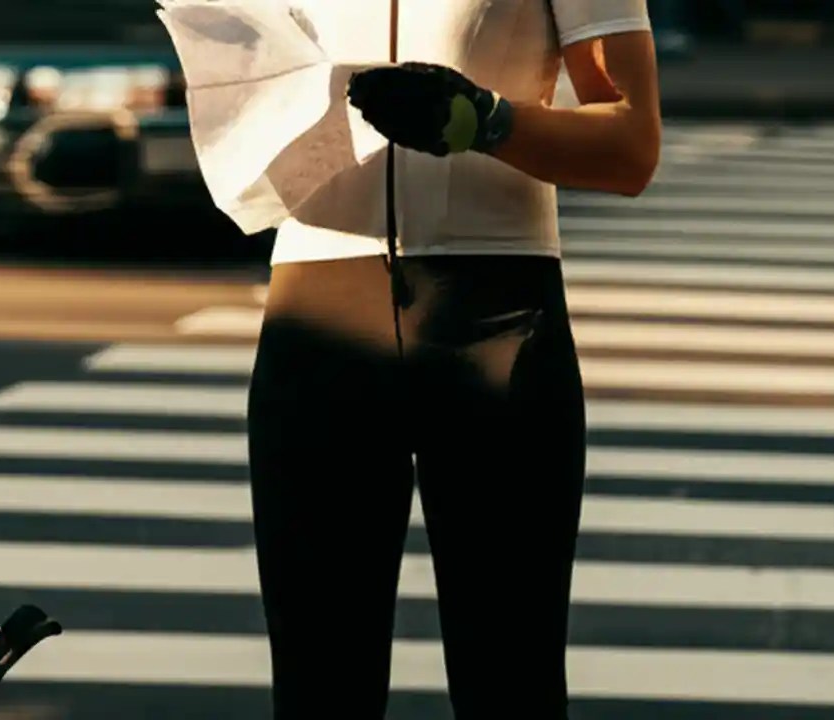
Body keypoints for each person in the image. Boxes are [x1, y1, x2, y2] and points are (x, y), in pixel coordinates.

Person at [245, 1, 661, 718]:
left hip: (493, 314)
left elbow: (632, 146)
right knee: (317, 687)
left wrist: (487, 120)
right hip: (317, 309)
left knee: (511, 679)